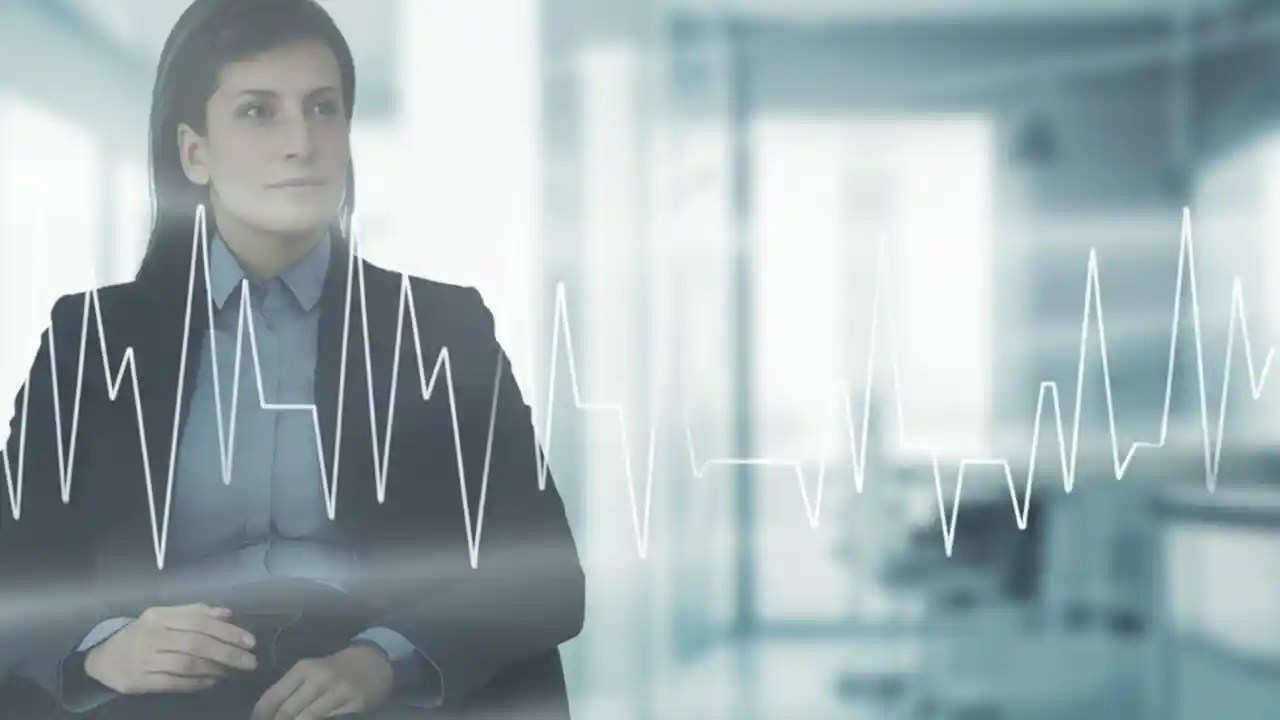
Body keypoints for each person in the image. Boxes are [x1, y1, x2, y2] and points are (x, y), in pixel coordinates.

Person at [0, 0, 585, 717]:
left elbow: (547, 572)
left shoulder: (438, 328)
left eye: (322, 108)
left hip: (369, 679)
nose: (301, 143)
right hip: (163, 684)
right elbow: (15, 558)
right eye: (257, 112)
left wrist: (384, 659)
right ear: (194, 152)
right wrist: (101, 647)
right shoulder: (91, 335)